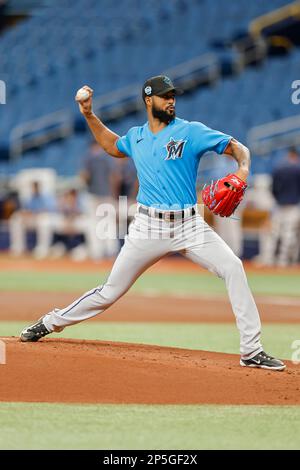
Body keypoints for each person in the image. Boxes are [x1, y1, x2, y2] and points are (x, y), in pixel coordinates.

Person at [20, 75, 285, 371]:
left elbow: (238, 148)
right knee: (109, 292)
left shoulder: (191, 131)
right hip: (148, 227)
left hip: (189, 225)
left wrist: (243, 170)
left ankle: (251, 350)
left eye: (173, 96)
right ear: (149, 100)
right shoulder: (137, 136)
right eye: (164, 96)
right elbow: (112, 146)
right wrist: (88, 114)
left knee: (233, 267)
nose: (171, 100)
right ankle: (49, 322)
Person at [80, 141, 119, 259]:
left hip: (93, 194)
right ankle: (111, 251)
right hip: (106, 195)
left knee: (93, 223)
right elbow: (114, 177)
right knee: (109, 223)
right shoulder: (107, 157)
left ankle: (96, 252)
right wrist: (114, 195)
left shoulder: (88, 157)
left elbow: (84, 176)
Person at [261, 147, 300, 266]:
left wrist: (278, 199)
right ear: (296, 155)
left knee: (273, 233)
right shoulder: (298, 169)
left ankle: (268, 259)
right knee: (289, 234)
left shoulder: (279, 168)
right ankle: (283, 261)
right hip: (293, 206)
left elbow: (273, 189)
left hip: (279, 205)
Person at [9, 181, 57, 257]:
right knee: (16, 219)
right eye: (33, 187)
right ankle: (18, 247)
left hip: (42, 219)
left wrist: (35, 213)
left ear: (39, 188)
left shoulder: (46, 197)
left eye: (36, 187)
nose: (34, 189)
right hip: (31, 220)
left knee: (44, 221)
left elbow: (50, 210)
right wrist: (25, 214)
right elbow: (25, 210)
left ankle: (43, 248)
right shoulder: (30, 198)